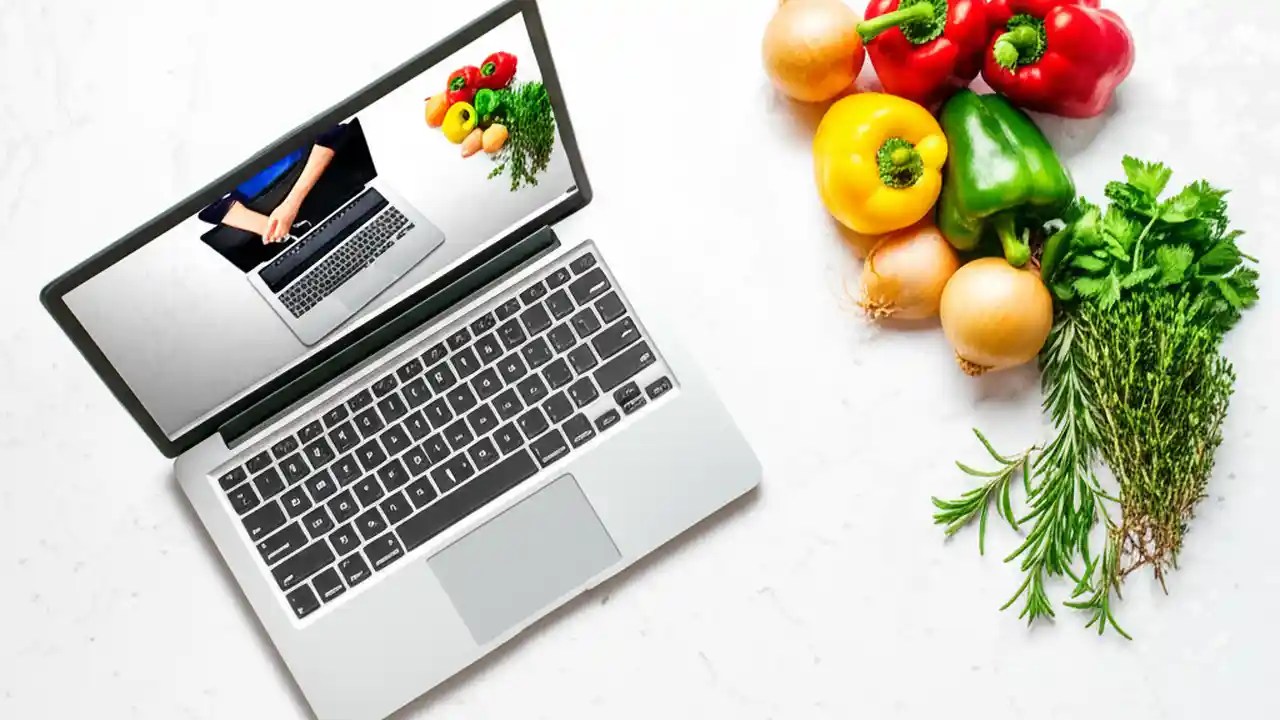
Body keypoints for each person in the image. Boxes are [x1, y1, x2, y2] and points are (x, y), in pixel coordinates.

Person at [198, 122, 371, 272]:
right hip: (264, 214)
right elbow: (209, 208)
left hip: (313, 171)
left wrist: (290, 206)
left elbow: (332, 133)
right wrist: (276, 229)